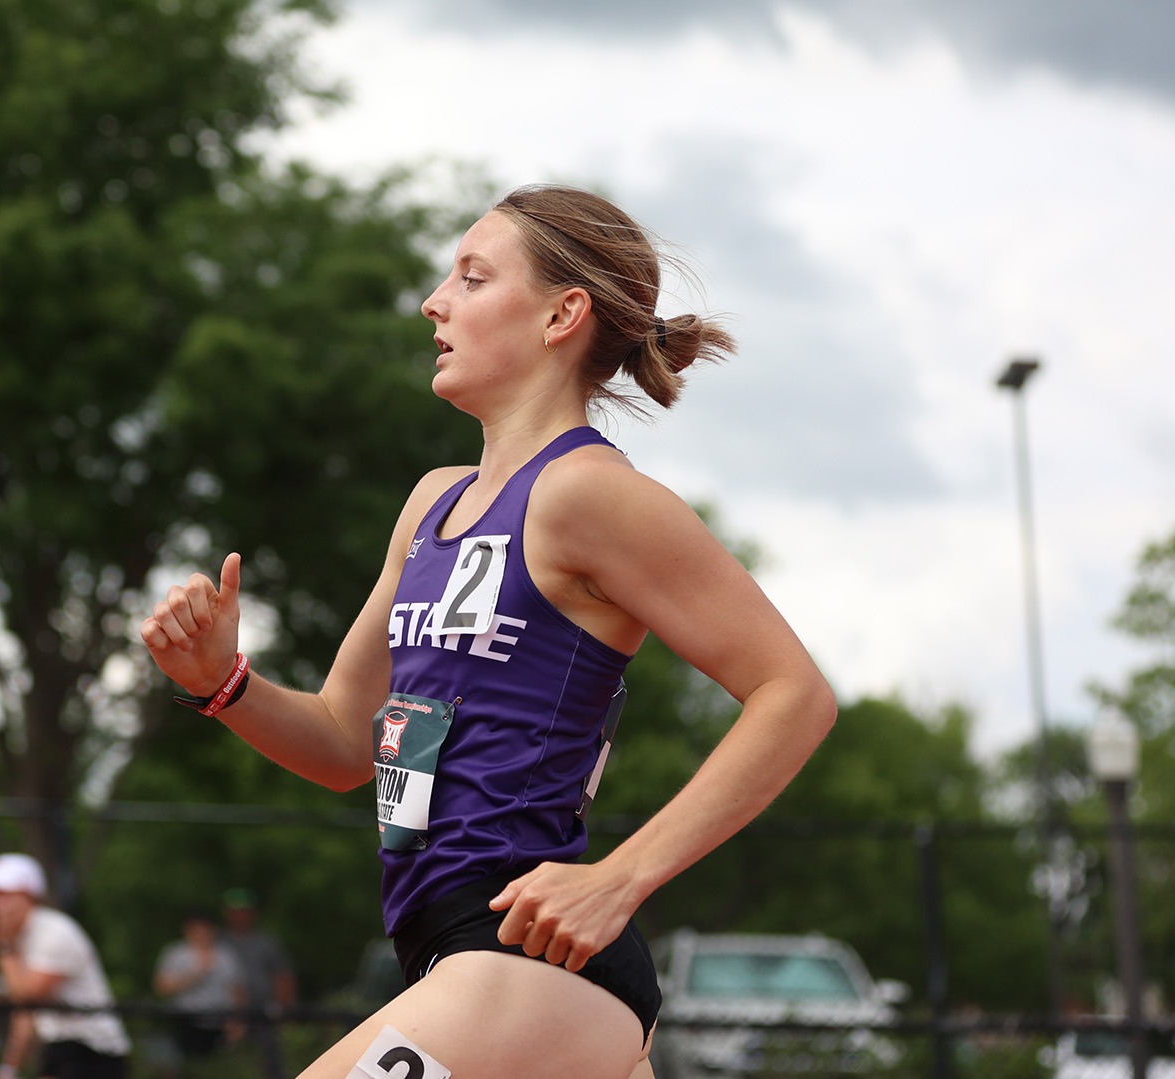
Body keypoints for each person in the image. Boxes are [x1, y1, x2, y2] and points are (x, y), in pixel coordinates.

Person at [139, 183, 836, 1079]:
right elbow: (346, 741)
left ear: (562, 314)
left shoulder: (586, 493)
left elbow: (795, 694)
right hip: (455, 953)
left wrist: (621, 878)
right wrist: (220, 682)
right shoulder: (432, 503)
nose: (434, 302)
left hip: (524, 955)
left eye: (471, 277)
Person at [0, 853, 132, 1079]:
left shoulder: (54, 933)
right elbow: (25, 1014)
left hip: (93, 1052)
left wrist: (4, 948)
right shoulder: (20, 939)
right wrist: (8, 1069)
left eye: (4, 894)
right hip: (60, 1047)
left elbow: (27, 998)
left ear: (29, 896)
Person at [151, 909, 246, 1074]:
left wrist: (238, 1022)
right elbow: (162, 987)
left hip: (220, 1022)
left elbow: (238, 990)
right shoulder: (176, 953)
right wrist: (197, 974)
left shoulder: (226, 955)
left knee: (218, 1069)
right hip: (186, 1021)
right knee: (187, 1069)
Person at [219, 888, 295, 1079]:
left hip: (263, 1011)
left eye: (244, 911)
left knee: (268, 1058)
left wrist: (284, 1008)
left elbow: (282, 976)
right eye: (235, 911)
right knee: (230, 1059)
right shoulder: (219, 942)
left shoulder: (267, 943)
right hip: (226, 1012)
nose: (240, 916)